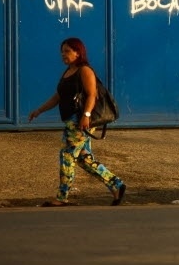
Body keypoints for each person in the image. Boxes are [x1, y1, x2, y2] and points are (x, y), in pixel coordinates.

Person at [28, 37, 127, 207]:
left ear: (78, 52)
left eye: (67, 51)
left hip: (79, 121)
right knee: (84, 159)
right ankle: (116, 184)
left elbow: (91, 95)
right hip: (71, 120)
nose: (63, 54)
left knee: (67, 155)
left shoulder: (84, 70)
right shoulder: (68, 72)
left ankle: (62, 197)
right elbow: (57, 97)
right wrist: (39, 110)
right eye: (62, 51)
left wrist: (86, 115)